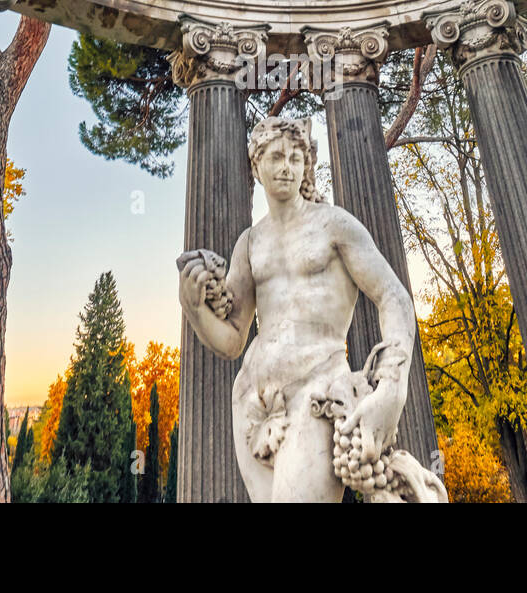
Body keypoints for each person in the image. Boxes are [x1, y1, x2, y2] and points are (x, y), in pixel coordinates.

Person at [177, 116, 422, 502]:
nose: (288, 167)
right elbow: (231, 340)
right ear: (256, 166)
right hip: (252, 402)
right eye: (276, 157)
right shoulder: (250, 242)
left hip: (317, 391)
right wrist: (193, 308)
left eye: (296, 157)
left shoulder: (334, 226)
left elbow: (394, 296)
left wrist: (394, 386)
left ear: (307, 164)